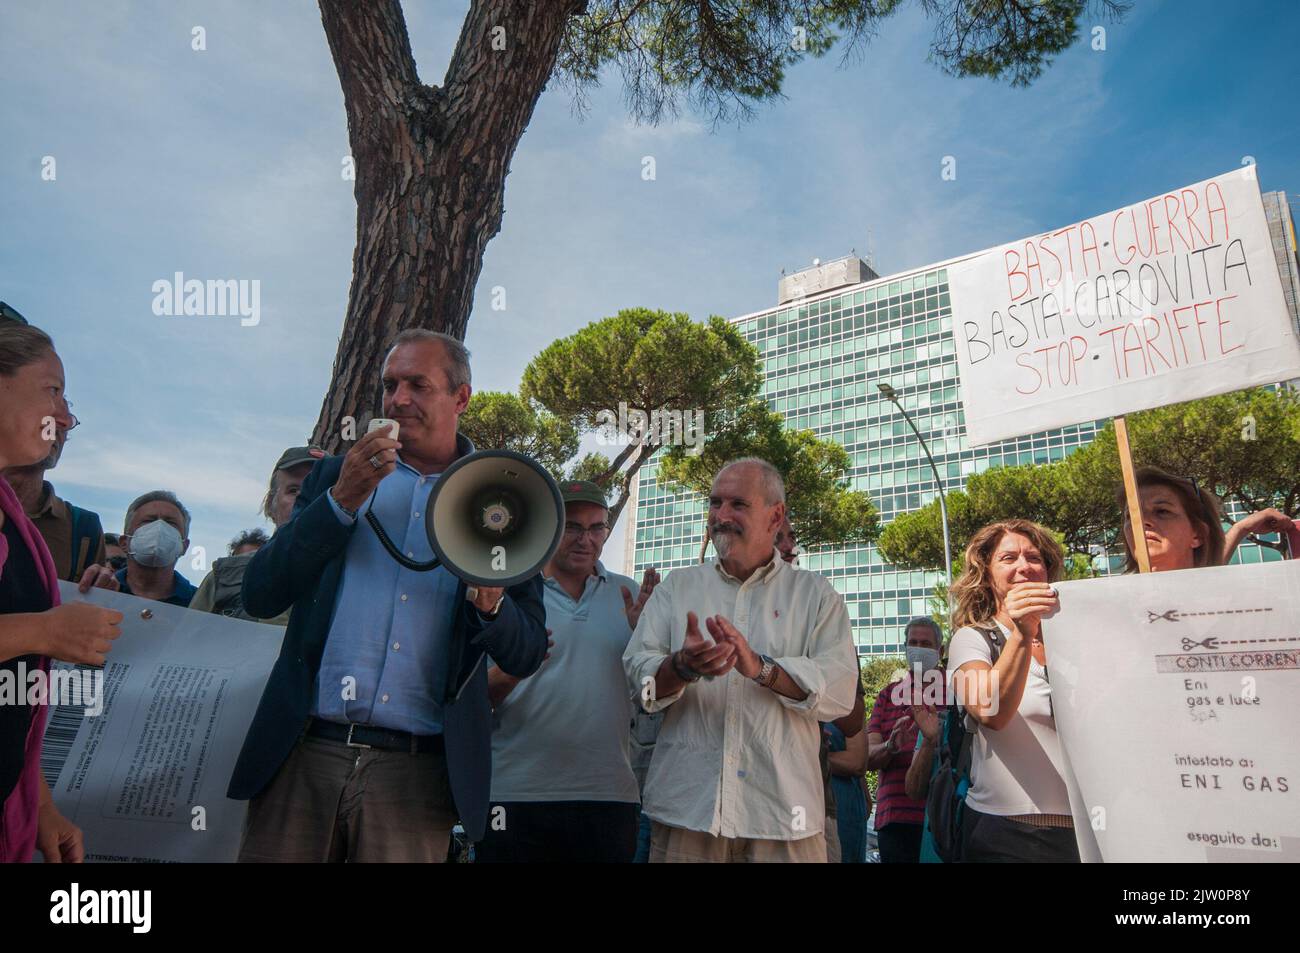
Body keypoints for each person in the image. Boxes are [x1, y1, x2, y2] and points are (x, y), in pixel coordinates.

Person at [227, 329, 547, 862]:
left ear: (461, 397)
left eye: (418, 385)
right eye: (390, 384)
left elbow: (527, 650)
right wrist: (339, 501)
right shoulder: (336, 476)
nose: (398, 400)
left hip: (415, 777)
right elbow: (261, 593)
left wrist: (490, 604)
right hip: (304, 754)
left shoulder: (503, 496)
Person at [624, 458, 859, 863]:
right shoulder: (676, 590)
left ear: (776, 515)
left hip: (784, 818)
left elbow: (839, 692)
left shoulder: (817, 596)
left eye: (738, 504)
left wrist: (761, 669)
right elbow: (638, 681)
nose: (721, 515)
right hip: (687, 816)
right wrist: (680, 668)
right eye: (715, 503)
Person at [477, 481, 658, 863]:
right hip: (514, 793)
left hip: (609, 795)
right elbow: (474, 699)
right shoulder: (505, 598)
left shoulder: (631, 598)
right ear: (547, 528)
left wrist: (643, 640)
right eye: (572, 527)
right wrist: (519, 665)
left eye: (596, 528)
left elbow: (654, 696)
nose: (585, 539)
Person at [0, 320, 121, 862]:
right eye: (53, 390)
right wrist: (44, 630)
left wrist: (39, 802)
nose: (67, 416)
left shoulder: (13, 519)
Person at [947, 519, 1077, 863]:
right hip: (1007, 838)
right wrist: (1022, 633)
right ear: (988, 576)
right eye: (1008, 559)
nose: (1024, 567)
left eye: (1034, 558)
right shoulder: (972, 640)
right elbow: (990, 712)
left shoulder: (1076, 641)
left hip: (1089, 833)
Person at [190, 446, 322, 624]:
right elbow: (185, 644)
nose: (306, 498)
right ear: (271, 504)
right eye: (294, 490)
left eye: (319, 489)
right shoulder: (226, 576)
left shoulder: (356, 574)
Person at [1, 405, 117, 592]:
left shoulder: (84, 527)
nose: (60, 424)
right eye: (46, 412)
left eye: (64, 417)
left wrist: (101, 587)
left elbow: (82, 612)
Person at [865, 616, 943, 862]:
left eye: (925, 644)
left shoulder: (957, 691)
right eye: (913, 643)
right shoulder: (888, 695)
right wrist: (891, 746)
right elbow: (866, 757)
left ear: (939, 651)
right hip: (896, 819)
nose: (918, 649)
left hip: (942, 817)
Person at [115, 491, 198, 607]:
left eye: (170, 523)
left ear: (184, 546)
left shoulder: (201, 604)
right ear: (124, 543)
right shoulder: (100, 588)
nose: (159, 528)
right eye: (148, 521)